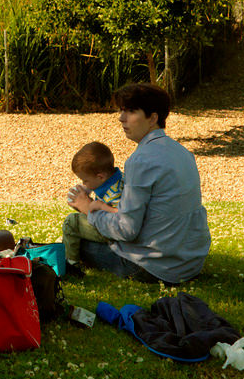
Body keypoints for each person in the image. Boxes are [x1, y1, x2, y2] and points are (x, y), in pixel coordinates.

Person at [67, 83, 210, 284]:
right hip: (190, 263)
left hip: (154, 267)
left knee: (76, 235)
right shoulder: (183, 153)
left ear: (153, 118)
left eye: (131, 111)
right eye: (122, 111)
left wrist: (89, 210)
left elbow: (126, 230)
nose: (121, 118)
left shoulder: (141, 160)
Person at [60, 141, 124, 278]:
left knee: (72, 222)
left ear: (100, 176)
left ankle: (71, 264)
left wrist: (96, 207)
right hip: (107, 228)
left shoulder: (115, 193)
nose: (83, 184)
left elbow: (119, 218)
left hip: (112, 233)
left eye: (85, 180)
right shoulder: (116, 180)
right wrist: (88, 190)